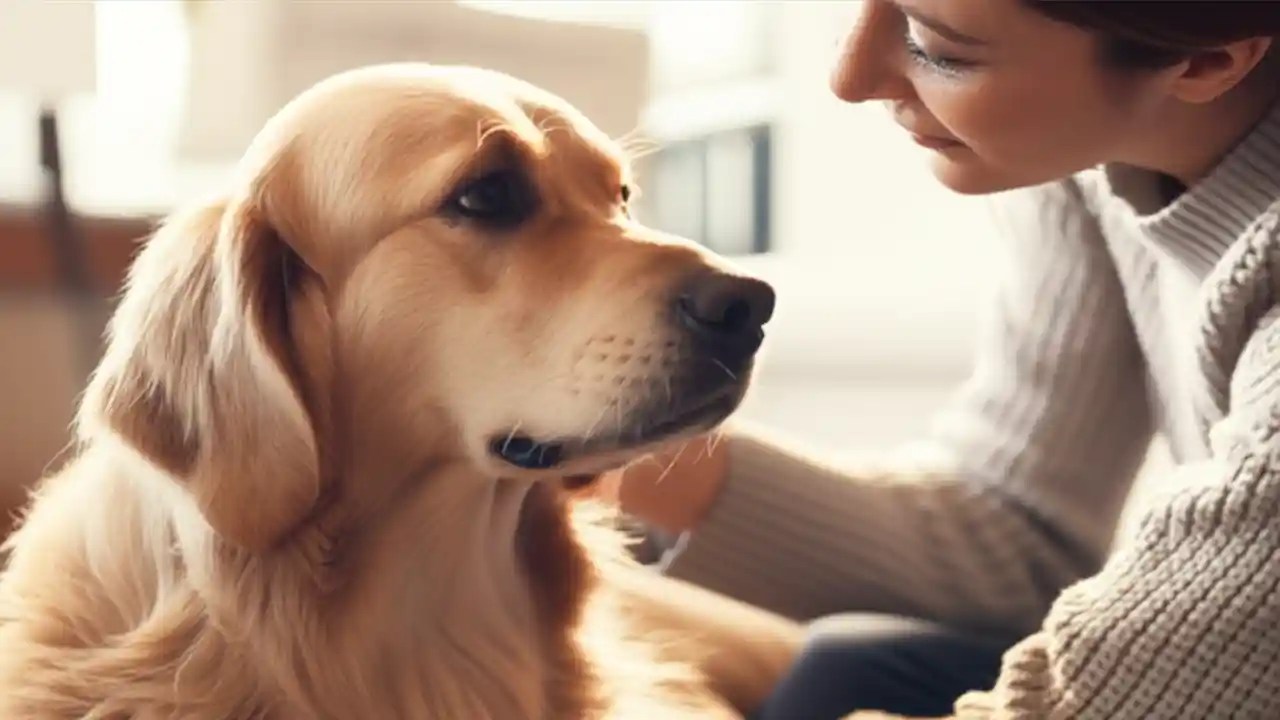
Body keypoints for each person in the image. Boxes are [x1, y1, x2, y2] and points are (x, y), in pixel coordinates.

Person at [609, 2, 1280, 718]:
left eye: (938, 49)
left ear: (1210, 60)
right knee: (853, 669)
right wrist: (606, 437)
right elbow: (1021, 534)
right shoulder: (1091, 153)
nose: (850, 78)